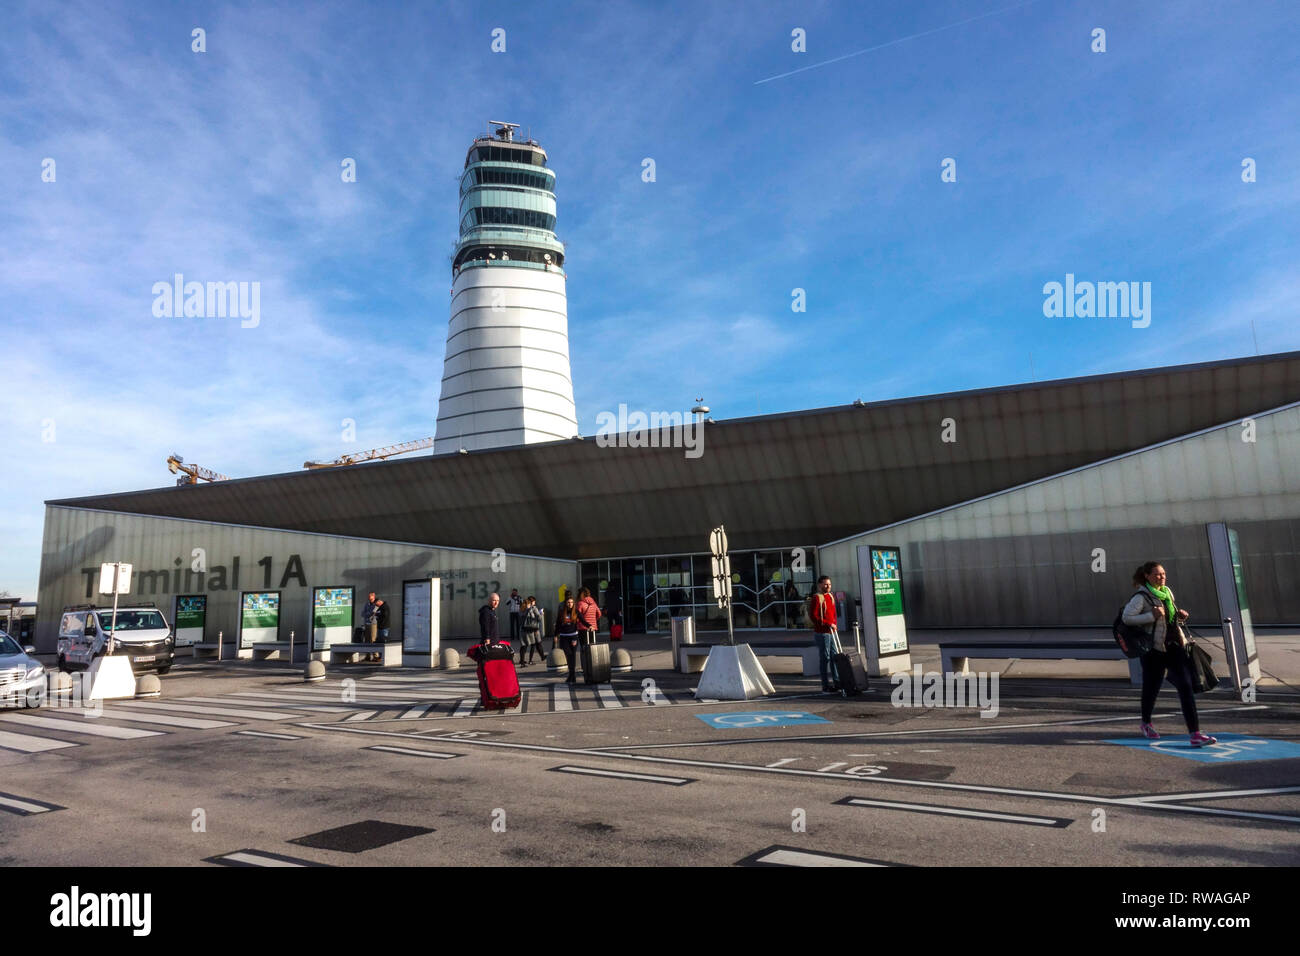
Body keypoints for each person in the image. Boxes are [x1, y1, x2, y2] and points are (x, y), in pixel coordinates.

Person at [1123, 562, 1217, 747]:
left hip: (1175, 647)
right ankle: (1146, 723)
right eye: (1157, 574)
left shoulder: (1167, 592)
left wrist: (1179, 616)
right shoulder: (1141, 598)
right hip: (1154, 651)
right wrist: (1151, 616)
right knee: (1152, 687)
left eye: (1163, 573)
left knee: (1186, 687)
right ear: (1147, 576)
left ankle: (1195, 734)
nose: (1162, 577)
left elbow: (1169, 618)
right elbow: (1127, 618)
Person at [807, 575, 839, 693]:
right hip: (822, 633)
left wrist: (834, 625)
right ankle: (825, 685)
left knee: (834, 657)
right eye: (826, 584)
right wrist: (827, 624)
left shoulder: (830, 596)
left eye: (829, 584)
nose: (828, 586)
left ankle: (837, 682)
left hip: (832, 632)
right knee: (825, 658)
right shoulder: (817, 598)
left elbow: (834, 614)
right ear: (820, 585)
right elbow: (814, 616)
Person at [554, 594, 581, 683]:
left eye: (572, 602)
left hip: (573, 636)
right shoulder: (562, 613)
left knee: (572, 656)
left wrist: (589, 626)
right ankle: (571, 675)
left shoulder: (576, 611)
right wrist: (555, 635)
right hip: (564, 637)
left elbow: (583, 620)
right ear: (565, 603)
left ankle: (572, 676)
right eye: (568, 602)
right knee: (568, 655)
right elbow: (558, 625)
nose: (570, 604)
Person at [520, 596, 545, 665]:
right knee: (531, 645)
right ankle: (529, 660)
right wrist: (541, 614)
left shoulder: (522, 609)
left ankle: (523, 660)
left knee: (525, 645)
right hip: (531, 629)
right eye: (533, 601)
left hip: (525, 629)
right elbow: (539, 618)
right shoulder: (532, 608)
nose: (534, 603)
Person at [372, 597, 391, 662]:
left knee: (383, 641)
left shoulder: (384, 607)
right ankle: (380, 657)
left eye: (376, 604)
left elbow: (385, 616)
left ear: (379, 602)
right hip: (380, 627)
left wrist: (378, 617)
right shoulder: (381, 607)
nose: (376, 605)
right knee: (380, 642)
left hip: (384, 627)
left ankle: (383, 657)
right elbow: (378, 614)